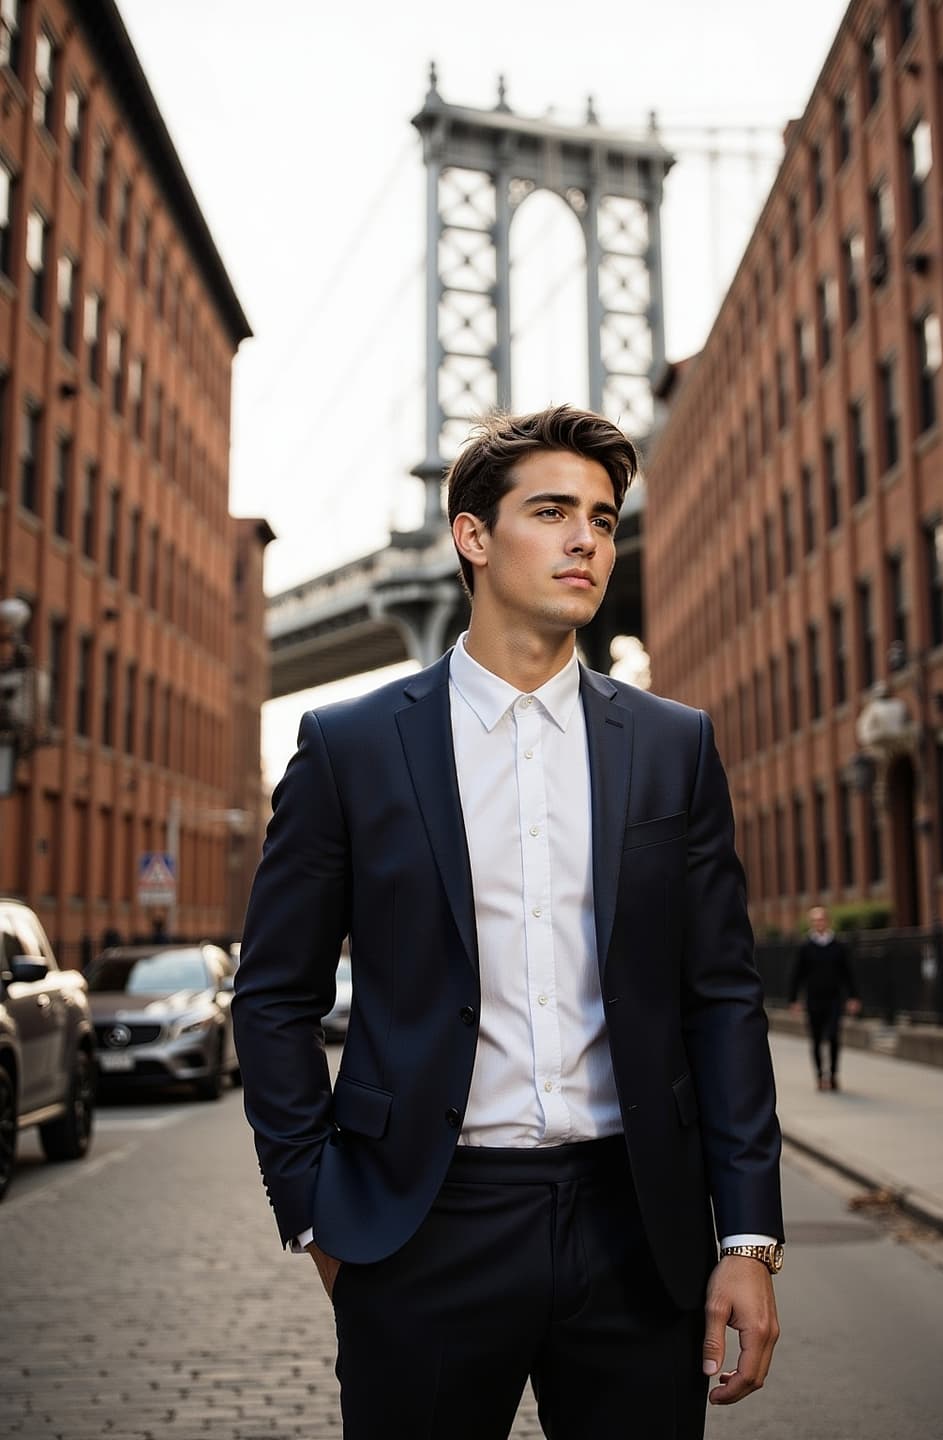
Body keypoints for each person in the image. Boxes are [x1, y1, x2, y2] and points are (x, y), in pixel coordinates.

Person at [233, 406, 784, 1440]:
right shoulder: (350, 747)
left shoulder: (674, 747)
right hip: (424, 1230)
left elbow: (721, 998)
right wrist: (318, 1215)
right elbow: (273, 997)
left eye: (605, 518)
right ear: (473, 538)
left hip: (639, 1230)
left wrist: (747, 1238)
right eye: (552, 511)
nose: (587, 539)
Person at [788, 905, 861, 1091]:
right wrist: (794, 999)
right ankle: (820, 1075)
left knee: (834, 1035)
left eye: (821, 920)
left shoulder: (838, 946)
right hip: (813, 999)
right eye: (815, 921)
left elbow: (848, 973)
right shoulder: (805, 947)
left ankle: (834, 1074)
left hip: (834, 998)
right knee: (816, 1038)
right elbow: (797, 974)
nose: (818, 923)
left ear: (827, 921)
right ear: (811, 924)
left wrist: (853, 996)